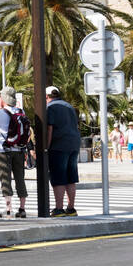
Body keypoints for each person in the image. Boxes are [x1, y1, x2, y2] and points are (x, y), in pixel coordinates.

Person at [0, 86, 29, 219]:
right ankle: (22, 209)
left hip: (4, 150)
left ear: (3, 98)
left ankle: (8, 210)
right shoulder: (21, 111)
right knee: (20, 178)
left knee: (5, 179)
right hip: (19, 150)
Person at [45, 86, 80, 216]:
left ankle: (59, 208)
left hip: (59, 145)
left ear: (47, 96)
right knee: (71, 177)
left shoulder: (50, 108)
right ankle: (71, 208)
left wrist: (46, 147)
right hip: (74, 144)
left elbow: (50, 129)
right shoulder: (69, 106)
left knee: (58, 177)